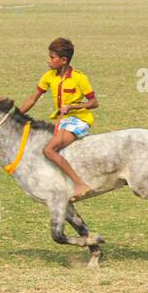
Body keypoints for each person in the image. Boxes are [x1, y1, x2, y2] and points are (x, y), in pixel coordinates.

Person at [18, 36, 99, 201]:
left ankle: (80, 184)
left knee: (49, 150)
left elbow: (94, 102)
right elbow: (33, 98)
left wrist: (72, 106)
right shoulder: (48, 76)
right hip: (62, 121)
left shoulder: (79, 78)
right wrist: (15, 116)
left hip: (78, 120)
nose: (48, 61)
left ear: (63, 60)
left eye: (52, 58)